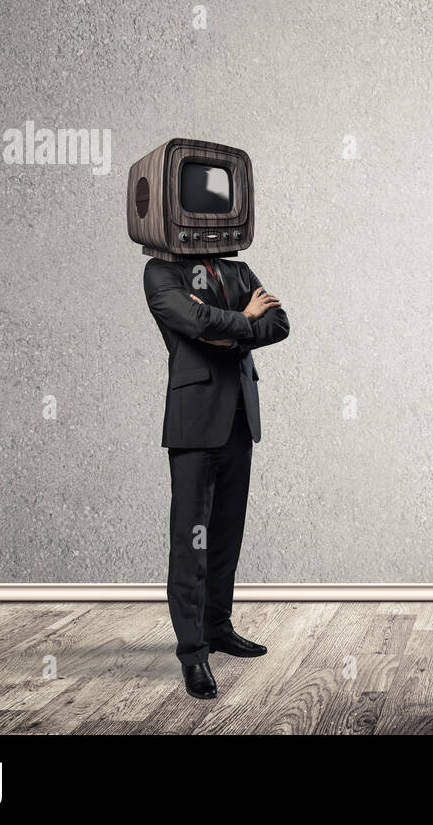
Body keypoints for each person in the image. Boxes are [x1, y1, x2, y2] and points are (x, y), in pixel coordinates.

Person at [142, 255, 289, 699]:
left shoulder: (240, 271)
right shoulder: (160, 271)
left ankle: (218, 627)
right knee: (192, 541)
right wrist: (245, 319)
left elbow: (279, 324)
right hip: (194, 421)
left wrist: (222, 331)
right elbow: (190, 319)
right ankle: (193, 654)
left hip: (239, 420)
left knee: (225, 534)